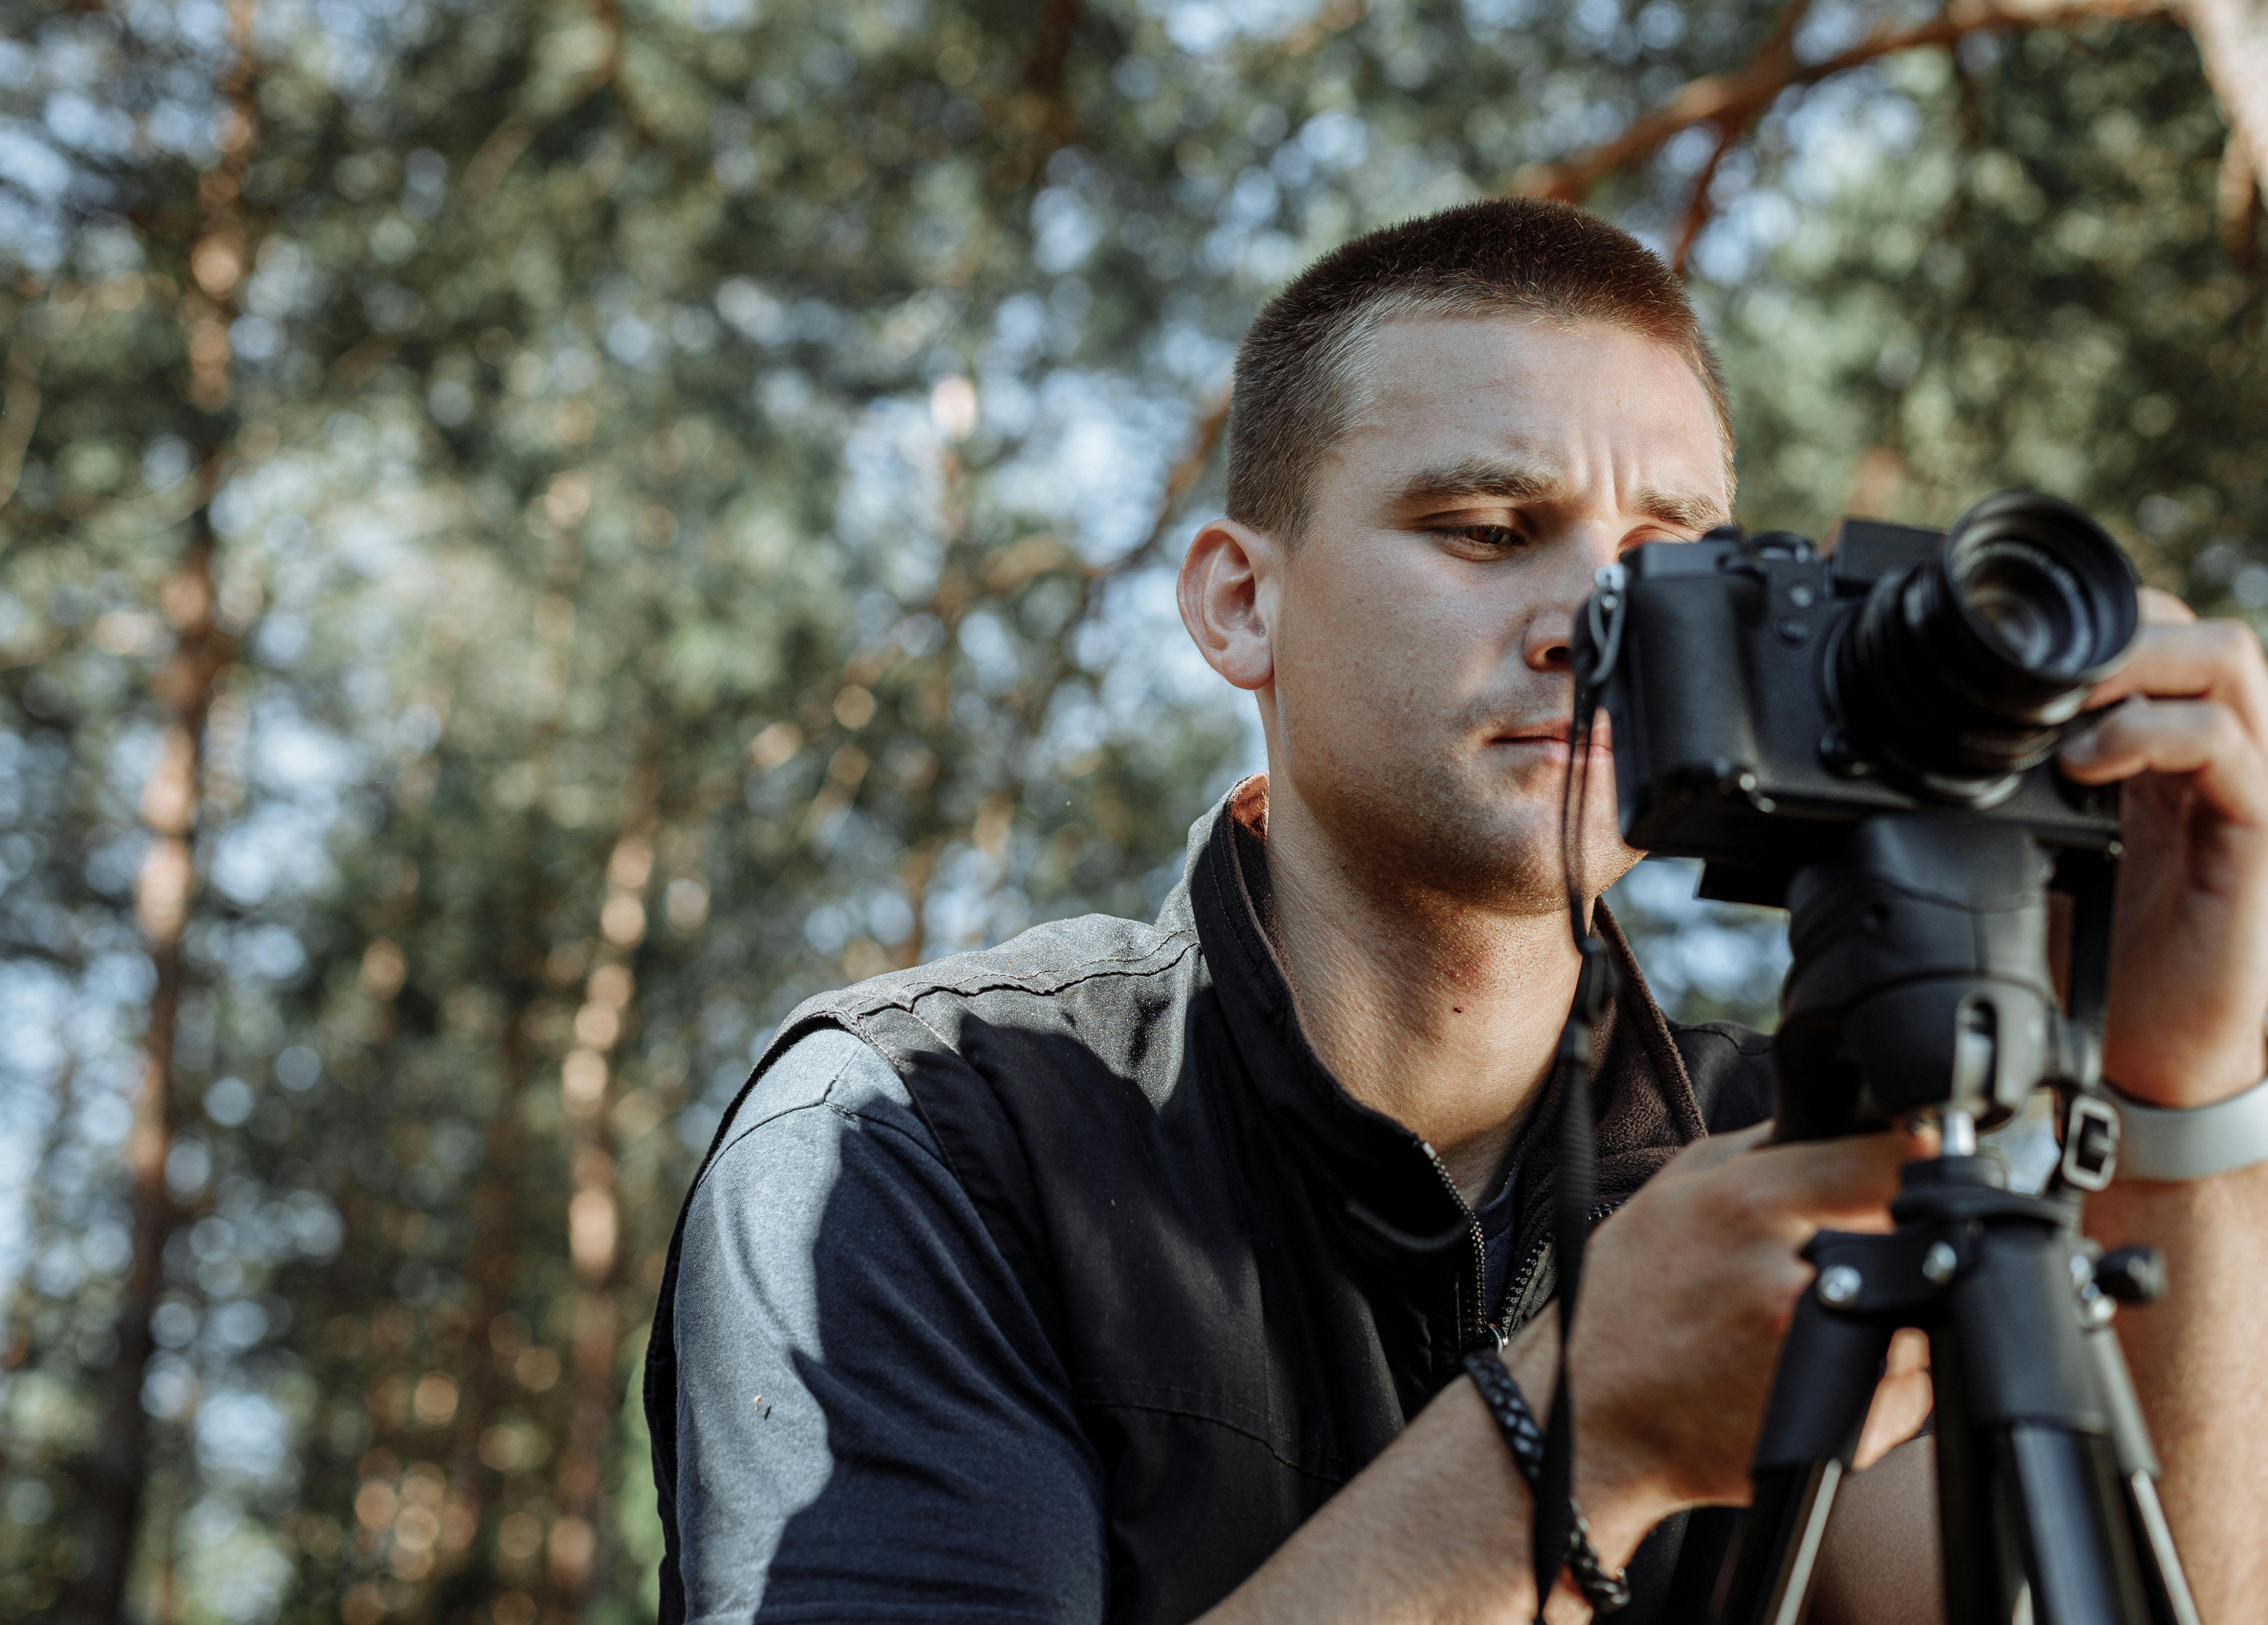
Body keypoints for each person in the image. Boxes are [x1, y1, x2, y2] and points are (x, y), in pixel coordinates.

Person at [641, 198, 2268, 1624]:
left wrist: (2178, 1092)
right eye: (1486, 532)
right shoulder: (932, 1129)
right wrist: (1578, 1440)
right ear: (1239, 601)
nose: (1594, 624)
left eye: (1670, 562)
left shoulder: (1783, 1148)